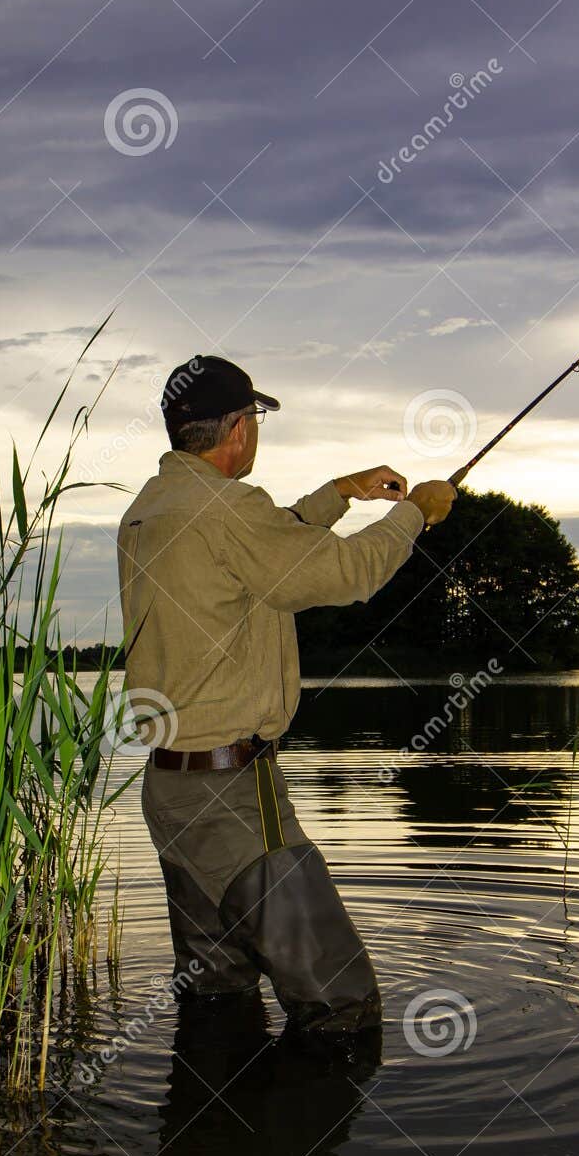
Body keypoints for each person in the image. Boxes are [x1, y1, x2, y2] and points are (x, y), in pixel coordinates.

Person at [116, 353, 456, 1038]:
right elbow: (346, 573)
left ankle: (216, 1135)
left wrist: (339, 493)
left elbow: (260, 551)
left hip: (171, 794)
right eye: (254, 419)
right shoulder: (225, 509)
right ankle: (310, 1136)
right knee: (342, 1006)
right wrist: (415, 514)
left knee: (217, 994)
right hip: (234, 799)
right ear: (238, 428)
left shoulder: (151, 509)